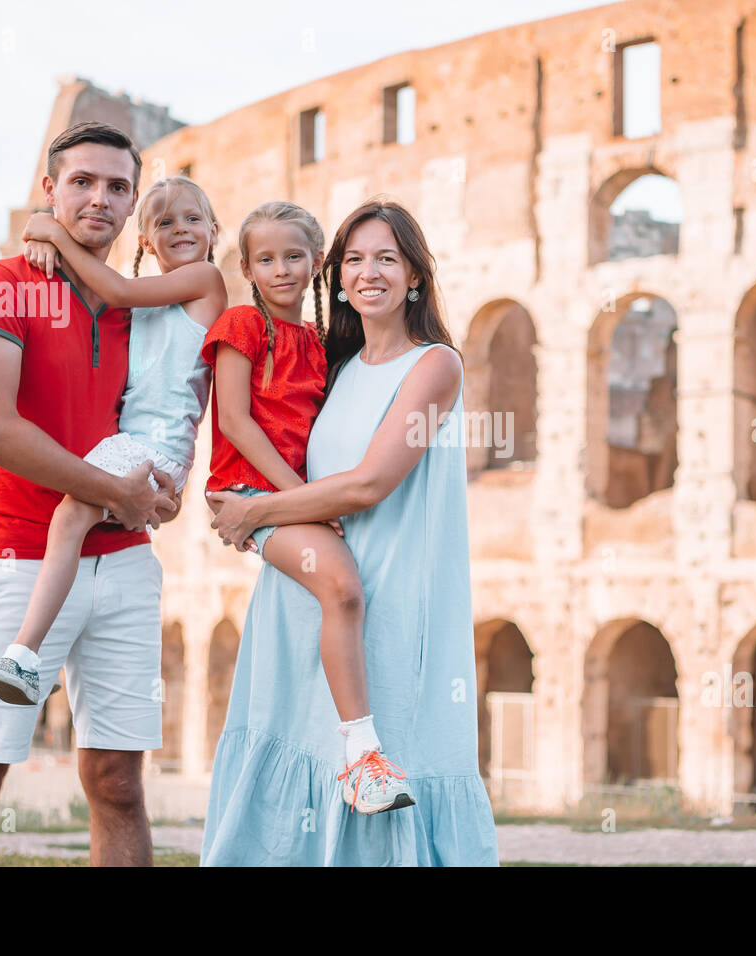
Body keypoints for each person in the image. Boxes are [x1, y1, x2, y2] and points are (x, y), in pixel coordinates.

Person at [200, 198, 500, 865]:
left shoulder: (435, 365)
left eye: (387, 259)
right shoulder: (331, 367)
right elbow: (241, 417)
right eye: (355, 260)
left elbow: (369, 485)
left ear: (415, 276)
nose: (369, 273)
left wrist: (252, 515)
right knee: (296, 758)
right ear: (335, 279)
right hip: (305, 596)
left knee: (387, 762)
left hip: (389, 596)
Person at [0, 122, 178, 867]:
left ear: (134, 203)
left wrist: (162, 491)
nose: (101, 197)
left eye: (118, 186)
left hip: (126, 565)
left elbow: (170, 415)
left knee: (119, 785)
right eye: (82, 182)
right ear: (50, 191)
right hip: (16, 558)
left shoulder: (143, 308)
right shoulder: (0, 286)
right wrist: (115, 492)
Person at [0, 175, 225, 706]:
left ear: (214, 230)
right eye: (165, 222)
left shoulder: (205, 281)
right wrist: (44, 241)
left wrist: (53, 235)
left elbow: (118, 288)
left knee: (66, 519)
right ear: (146, 241)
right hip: (139, 443)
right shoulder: (150, 307)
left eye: (193, 219)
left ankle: (25, 654)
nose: (181, 229)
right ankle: (43, 653)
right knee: (72, 525)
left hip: (154, 445)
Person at [202, 201, 413, 814]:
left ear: (317, 262)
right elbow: (237, 423)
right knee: (343, 588)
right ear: (245, 267)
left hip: (290, 499)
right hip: (252, 495)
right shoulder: (242, 324)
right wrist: (297, 500)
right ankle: (362, 758)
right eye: (265, 259)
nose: (281, 270)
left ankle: (347, 757)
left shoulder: (319, 344)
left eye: (294, 256)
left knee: (345, 594)